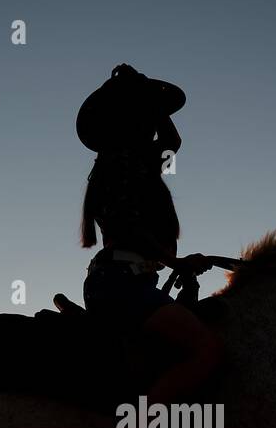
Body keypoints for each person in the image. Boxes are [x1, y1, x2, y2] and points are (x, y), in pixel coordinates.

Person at [70, 64, 221, 409]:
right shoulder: (122, 162)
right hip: (121, 284)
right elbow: (128, 227)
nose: (150, 124)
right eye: (142, 114)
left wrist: (152, 101)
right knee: (206, 349)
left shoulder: (129, 162)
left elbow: (171, 142)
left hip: (124, 280)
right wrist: (176, 262)